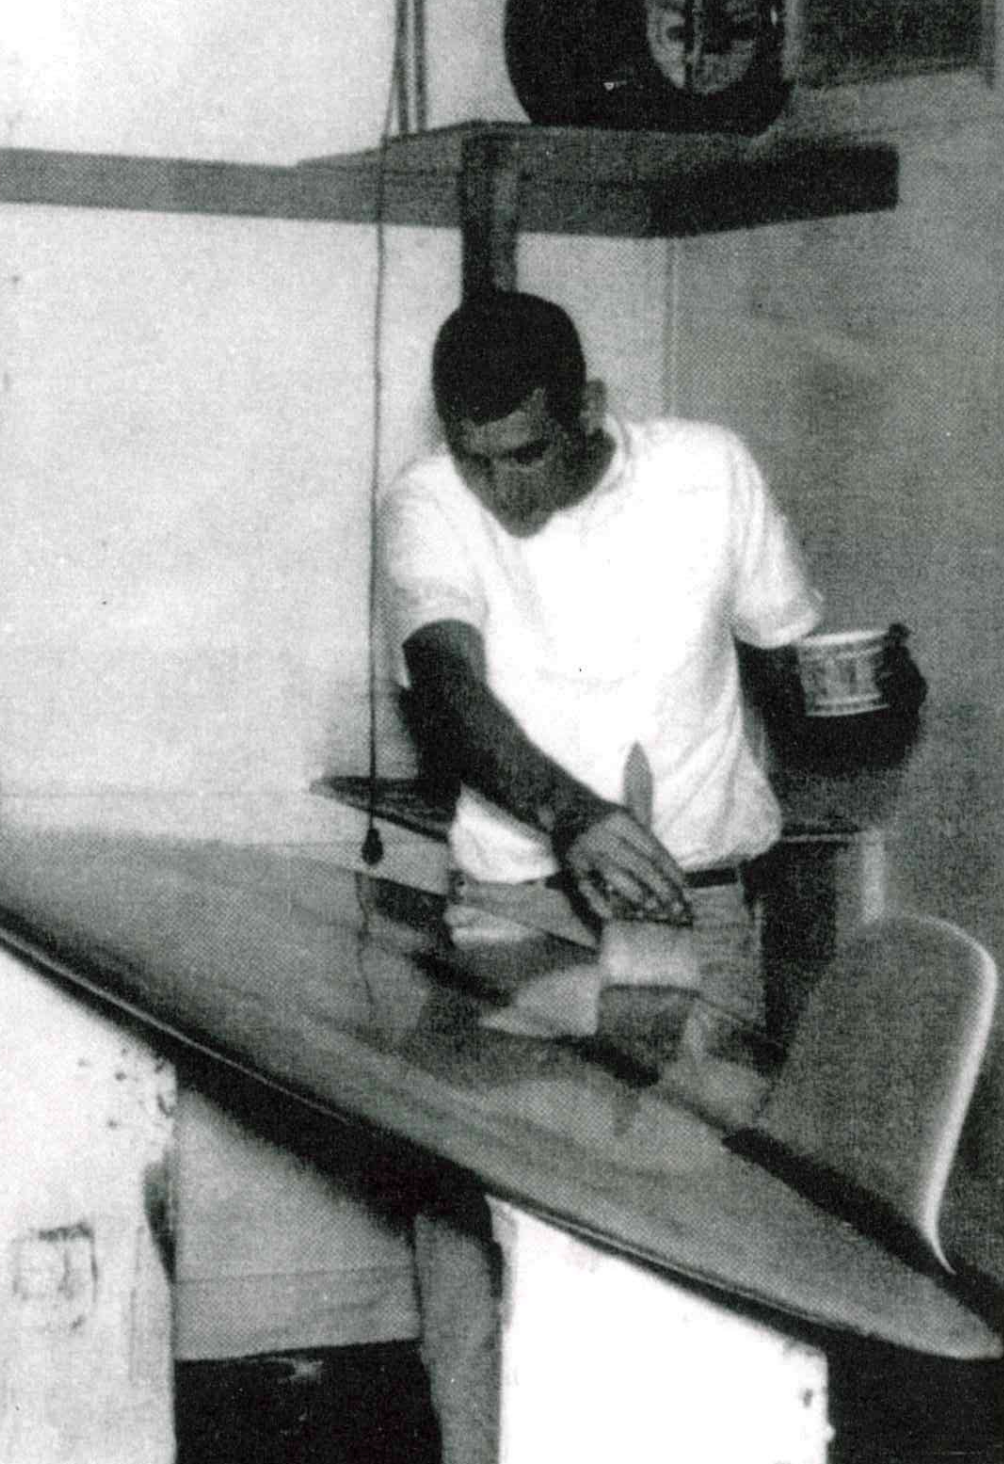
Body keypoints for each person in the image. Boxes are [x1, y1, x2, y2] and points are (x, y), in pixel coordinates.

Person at [378, 289, 922, 1463]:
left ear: (588, 408)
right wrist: (568, 814)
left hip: (698, 916)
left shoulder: (709, 474)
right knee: (477, 1245)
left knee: (699, 1242)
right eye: (476, 459)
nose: (501, 492)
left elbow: (792, 675)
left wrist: (873, 705)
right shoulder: (428, 502)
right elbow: (449, 686)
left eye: (526, 455)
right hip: (514, 915)